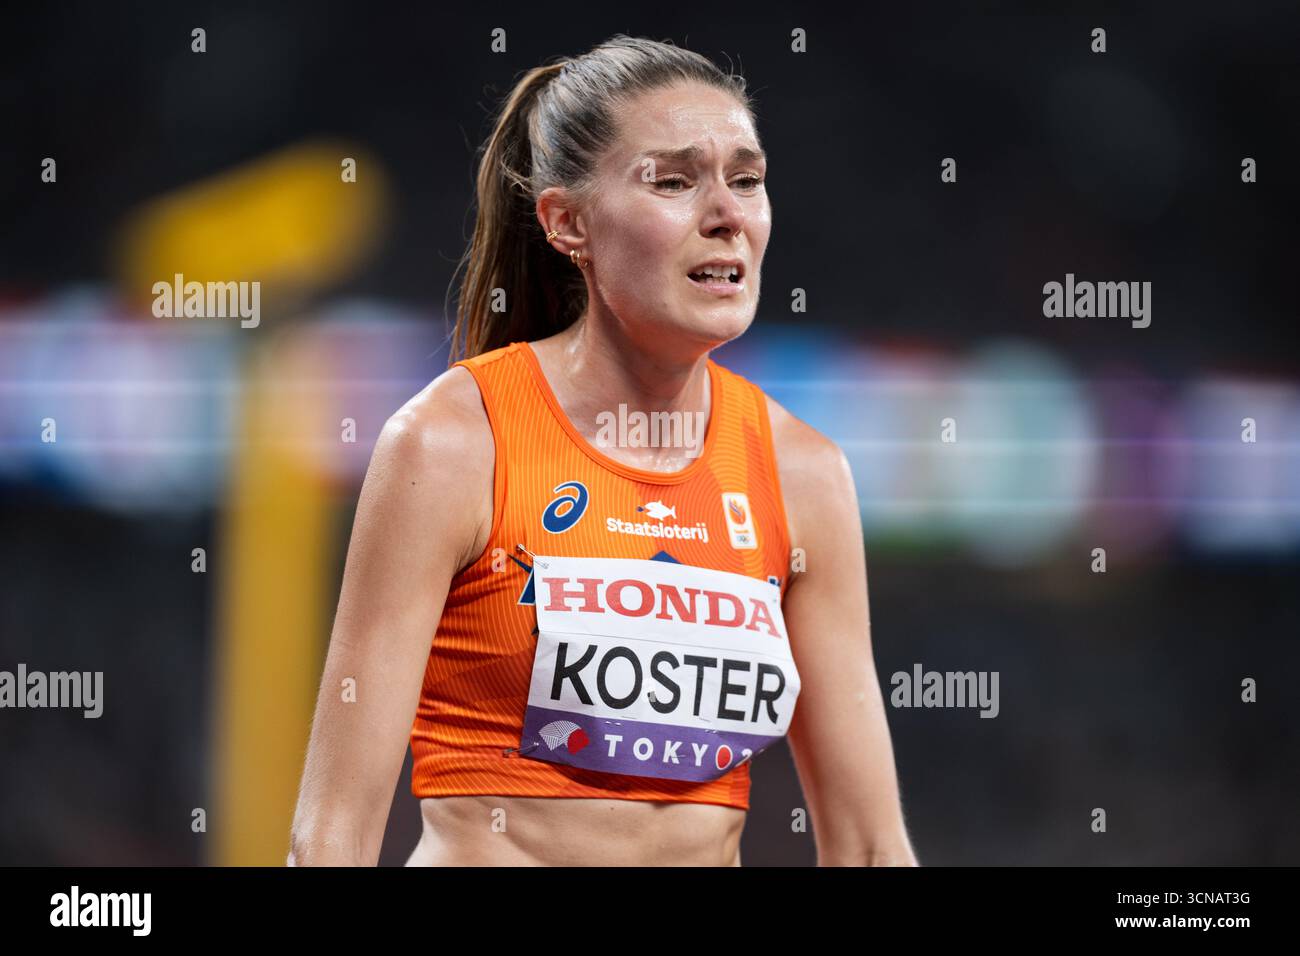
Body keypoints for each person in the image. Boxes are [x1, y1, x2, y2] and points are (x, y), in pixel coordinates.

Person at [288, 34, 917, 867]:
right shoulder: (451, 445)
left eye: (747, 179)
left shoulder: (803, 475)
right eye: (674, 181)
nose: (727, 214)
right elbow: (330, 838)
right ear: (567, 222)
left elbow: (872, 848)